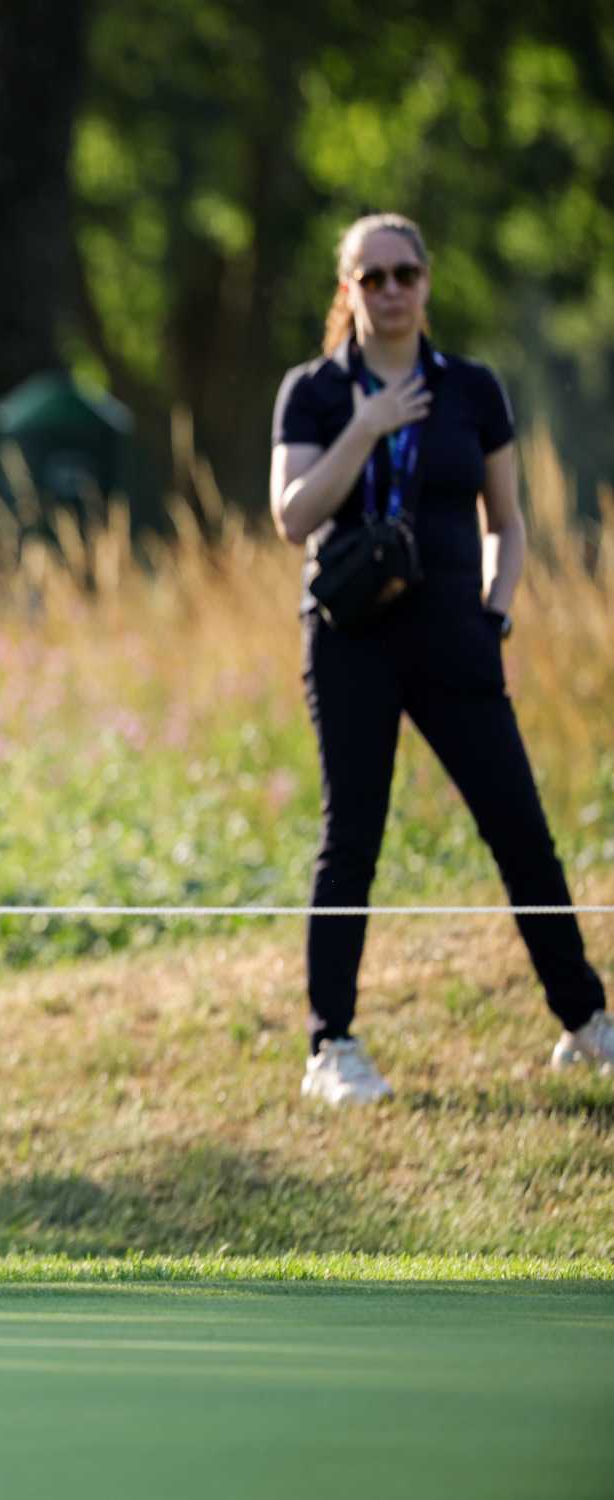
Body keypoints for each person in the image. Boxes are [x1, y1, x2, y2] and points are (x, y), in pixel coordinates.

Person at [269, 212, 609, 1105]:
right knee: (352, 841)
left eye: (404, 274)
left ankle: (586, 1023)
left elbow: (510, 521)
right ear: (347, 290)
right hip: (349, 642)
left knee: (519, 829)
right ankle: (331, 1048)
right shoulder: (312, 391)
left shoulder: (473, 390)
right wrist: (367, 426)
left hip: (457, 638)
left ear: (427, 284)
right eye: (370, 278)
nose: (389, 291)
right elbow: (294, 516)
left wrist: (497, 611)